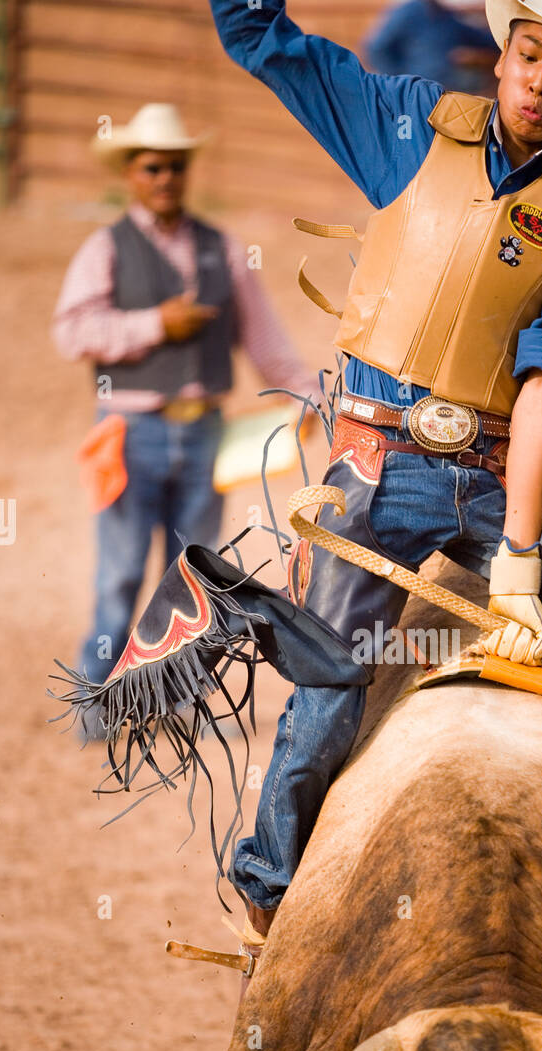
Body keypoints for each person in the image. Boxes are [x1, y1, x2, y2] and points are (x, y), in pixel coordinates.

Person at [208, 0, 542, 1051]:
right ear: (505, 54)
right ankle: (270, 905)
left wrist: (524, 556)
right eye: (528, 56)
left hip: (495, 469)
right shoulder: (399, 127)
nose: (538, 82)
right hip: (379, 458)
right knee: (326, 682)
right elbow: (262, 39)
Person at [52, 102, 320, 713]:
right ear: (130, 172)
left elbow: (267, 342)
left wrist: (309, 397)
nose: (165, 178)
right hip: (128, 432)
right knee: (119, 575)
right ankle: (97, 707)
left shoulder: (222, 250)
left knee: (196, 580)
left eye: (175, 166)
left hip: (204, 435)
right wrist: (155, 324)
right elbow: (72, 332)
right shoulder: (106, 249)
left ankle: (182, 707)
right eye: (152, 167)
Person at [364, 0, 497, 94]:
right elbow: (377, 49)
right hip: (420, 87)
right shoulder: (409, 12)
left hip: (450, 85)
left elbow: (476, 37)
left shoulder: (445, 14)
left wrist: (503, 38)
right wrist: (401, 80)